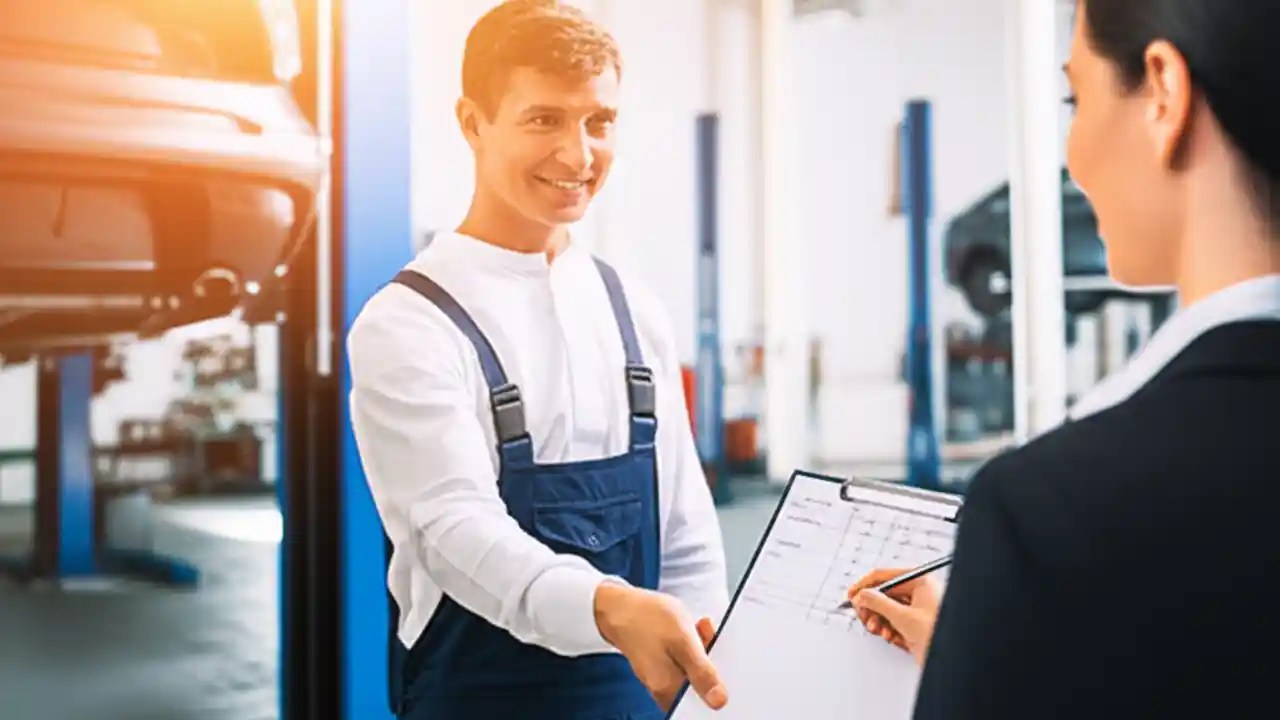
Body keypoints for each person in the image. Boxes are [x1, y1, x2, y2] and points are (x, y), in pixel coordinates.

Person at [848, 0, 1280, 717]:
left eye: (1076, 98)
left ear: (1164, 94)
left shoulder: (1051, 514)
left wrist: (1000, 652)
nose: (1072, 152)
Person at [345, 2, 730, 718]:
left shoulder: (633, 310)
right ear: (472, 122)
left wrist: (714, 672)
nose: (579, 155)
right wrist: (612, 610)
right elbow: (459, 530)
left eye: (599, 121)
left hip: (641, 696)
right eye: (543, 119)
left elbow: (686, 532)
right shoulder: (408, 324)